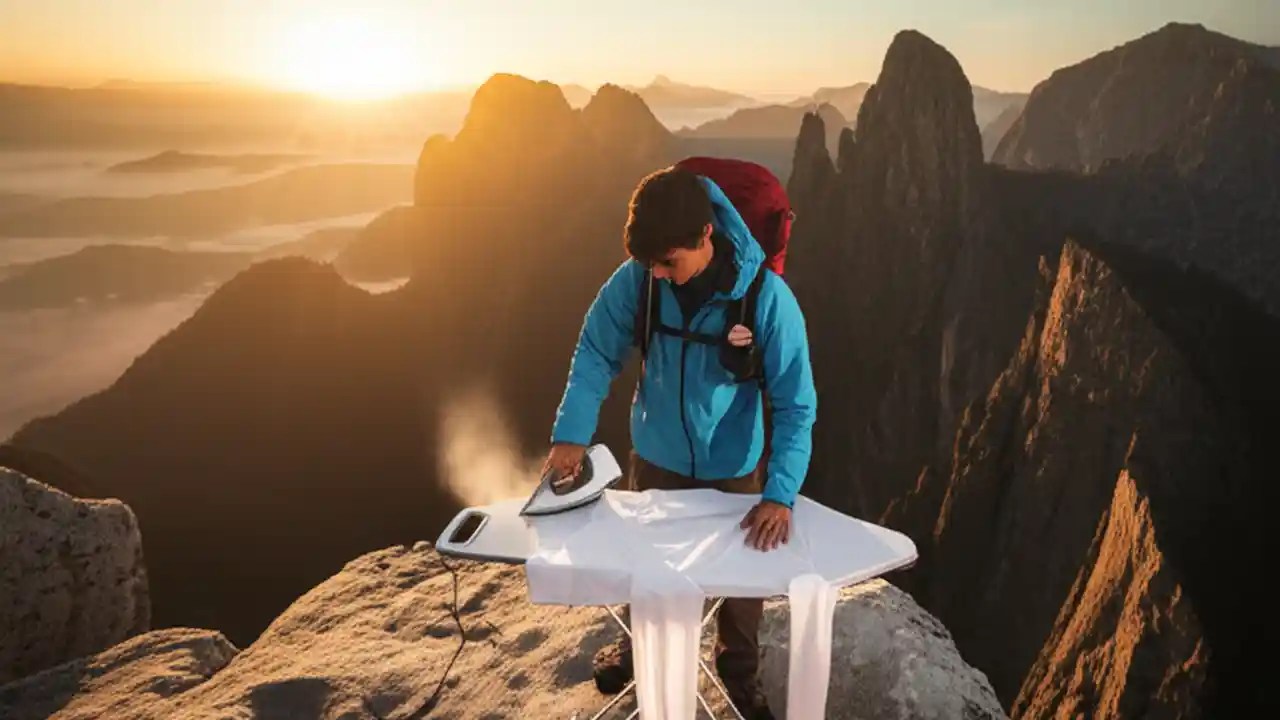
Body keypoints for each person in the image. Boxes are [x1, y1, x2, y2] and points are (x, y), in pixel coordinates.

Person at [544, 164, 817, 719]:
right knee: (647, 563)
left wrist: (779, 494)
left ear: (705, 237)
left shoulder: (765, 297)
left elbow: (796, 403)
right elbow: (596, 352)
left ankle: (738, 671)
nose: (660, 275)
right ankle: (636, 647)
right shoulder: (638, 281)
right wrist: (571, 434)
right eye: (651, 264)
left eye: (670, 262)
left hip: (735, 467)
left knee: (744, 581)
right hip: (658, 457)